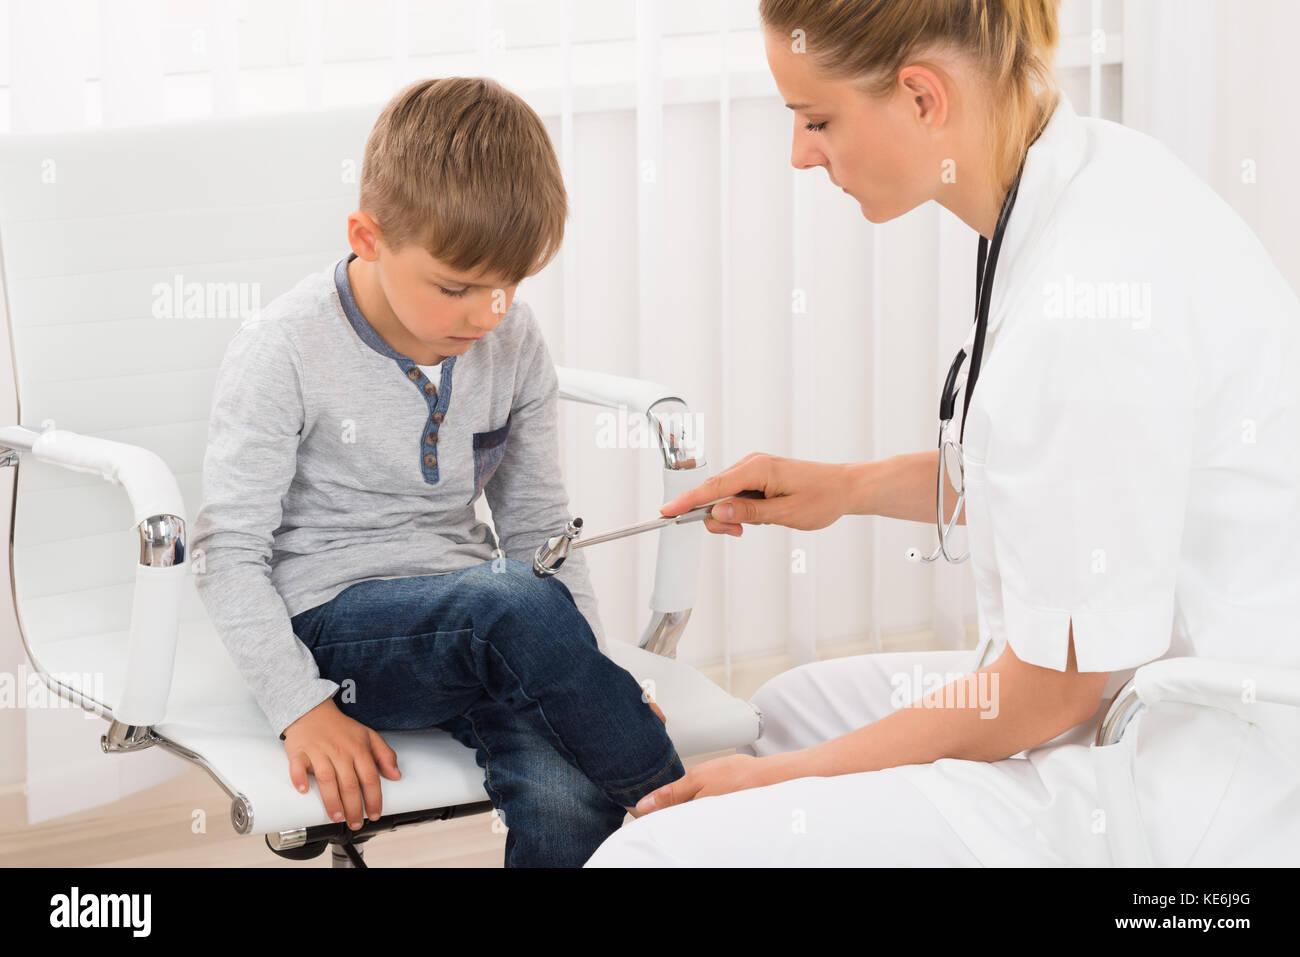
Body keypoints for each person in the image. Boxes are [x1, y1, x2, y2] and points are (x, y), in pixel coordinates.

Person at [585, 0, 1300, 866]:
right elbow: (1052, 479)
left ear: (922, 98)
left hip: (1174, 765)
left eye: (817, 119)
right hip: (1104, 682)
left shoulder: (1091, 305)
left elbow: (1051, 692)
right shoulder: (1072, 178)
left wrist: (790, 782)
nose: (801, 153)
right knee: (783, 709)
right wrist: (842, 488)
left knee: (654, 853)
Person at [191, 76, 682, 868]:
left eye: (507, 287)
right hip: (338, 627)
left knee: (571, 788)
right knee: (514, 609)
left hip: (487, 627)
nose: (486, 314)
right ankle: (692, 807)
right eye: (456, 287)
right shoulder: (281, 349)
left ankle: (622, 760)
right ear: (368, 236)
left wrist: (585, 682)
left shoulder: (512, 340)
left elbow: (538, 532)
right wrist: (300, 706)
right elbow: (227, 553)